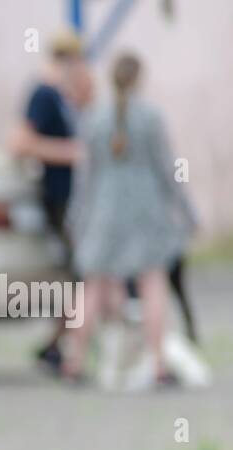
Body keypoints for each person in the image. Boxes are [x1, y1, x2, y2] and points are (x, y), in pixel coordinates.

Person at [62, 52, 198, 386]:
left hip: (104, 211)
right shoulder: (151, 117)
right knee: (153, 283)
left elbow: (85, 175)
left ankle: (74, 363)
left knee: (92, 285)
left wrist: (75, 217)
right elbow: (167, 170)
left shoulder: (94, 118)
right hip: (145, 211)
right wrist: (187, 211)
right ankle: (158, 366)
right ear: (139, 79)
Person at [8, 31, 93, 372]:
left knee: (78, 276)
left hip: (72, 199)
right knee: (85, 275)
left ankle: (57, 344)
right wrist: (72, 154)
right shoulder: (43, 93)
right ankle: (59, 345)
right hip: (59, 199)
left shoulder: (60, 94)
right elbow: (20, 143)